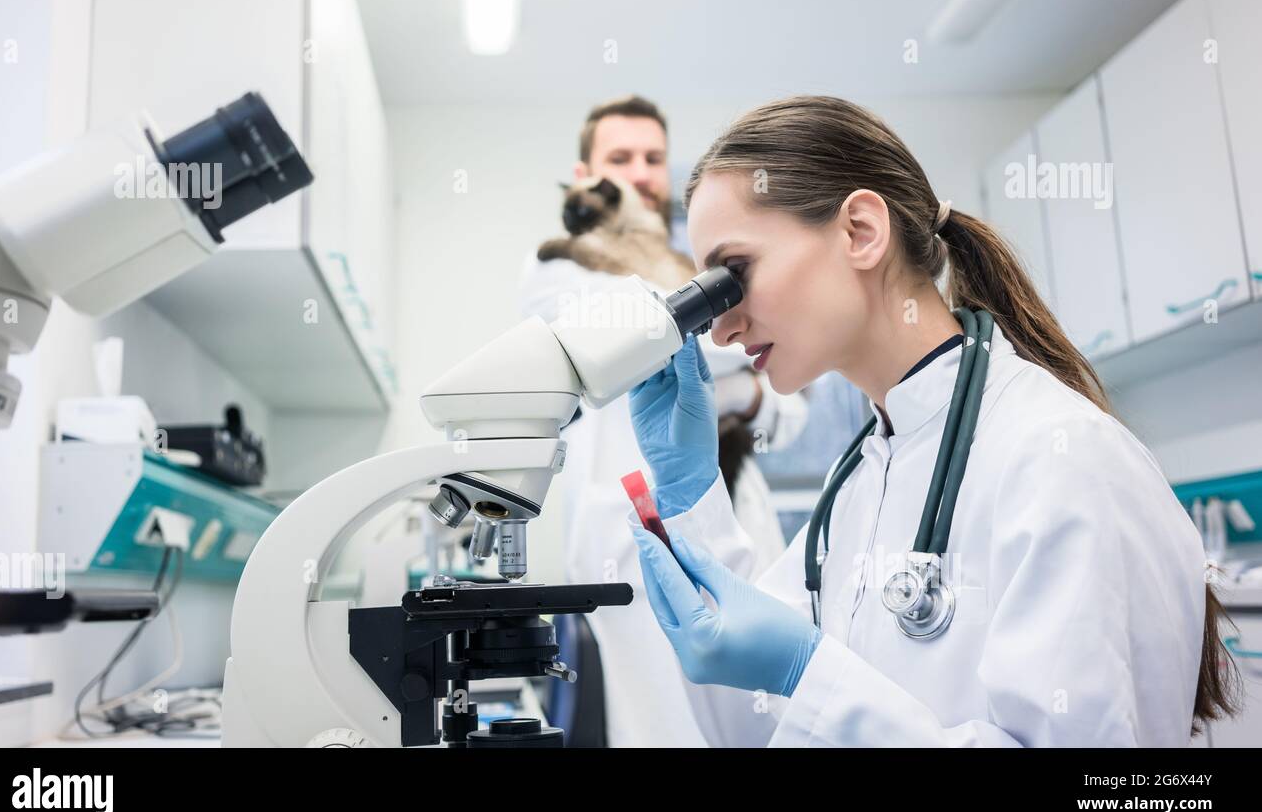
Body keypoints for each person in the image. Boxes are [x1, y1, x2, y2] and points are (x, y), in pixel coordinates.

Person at [627, 95, 1239, 747]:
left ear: (861, 230)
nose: (719, 326)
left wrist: (816, 676)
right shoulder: (858, 482)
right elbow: (755, 720)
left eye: (734, 273)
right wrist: (689, 495)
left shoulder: (1064, 458)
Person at [518, 94, 809, 746]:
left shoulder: (690, 267)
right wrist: (727, 357)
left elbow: (788, 407)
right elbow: (644, 331)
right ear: (585, 172)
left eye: (653, 157)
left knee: (755, 717)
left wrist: (744, 397)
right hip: (630, 538)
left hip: (733, 514)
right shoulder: (559, 265)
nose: (641, 172)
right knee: (662, 724)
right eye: (620, 157)